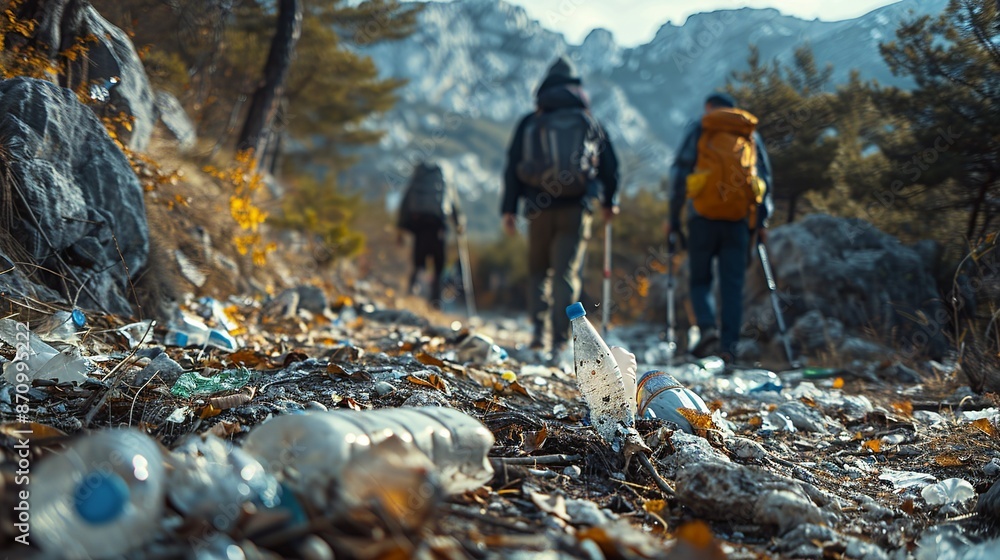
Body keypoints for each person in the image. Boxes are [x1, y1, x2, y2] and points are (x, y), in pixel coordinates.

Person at [501, 56, 620, 352]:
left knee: (539, 269)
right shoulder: (588, 120)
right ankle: (560, 339)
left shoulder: (532, 121)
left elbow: (513, 165)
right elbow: (610, 165)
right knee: (566, 272)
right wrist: (610, 200)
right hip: (576, 207)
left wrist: (509, 209)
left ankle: (538, 331)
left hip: (537, 206)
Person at [667, 92, 774, 362]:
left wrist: (673, 215)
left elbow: (679, 172)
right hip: (738, 219)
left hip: (701, 216)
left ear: (709, 107)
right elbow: (763, 180)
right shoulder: (748, 134)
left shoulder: (701, 127)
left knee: (700, 279)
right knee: (732, 285)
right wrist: (761, 221)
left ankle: (706, 329)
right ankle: (729, 348)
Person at [398, 161, 463, 309]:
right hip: (438, 229)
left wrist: (400, 229)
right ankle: (434, 304)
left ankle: (410, 297)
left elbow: (405, 204)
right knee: (438, 268)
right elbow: (454, 206)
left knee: (418, 265)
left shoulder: (418, 181)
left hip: (420, 228)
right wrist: (459, 223)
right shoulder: (445, 182)